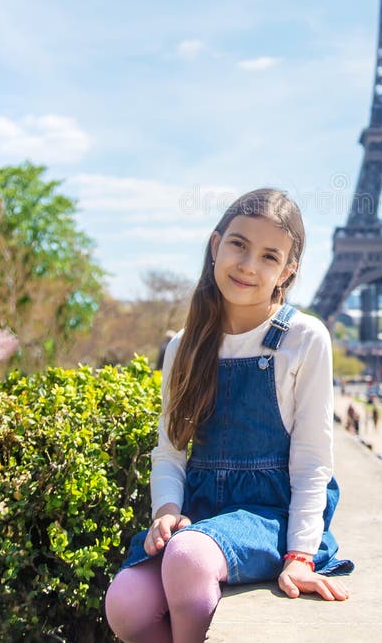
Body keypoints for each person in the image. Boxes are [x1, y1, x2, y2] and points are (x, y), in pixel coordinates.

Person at [104, 189, 353, 642]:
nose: (248, 265)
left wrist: (300, 554)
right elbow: (171, 452)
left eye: (269, 255)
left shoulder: (304, 337)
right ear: (215, 245)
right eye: (239, 245)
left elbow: (313, 461)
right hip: (198, 514)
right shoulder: (185, 345)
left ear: (288, 271)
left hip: (269, 512)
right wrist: (166, 511)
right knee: (126, 604)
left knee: (188, 558)